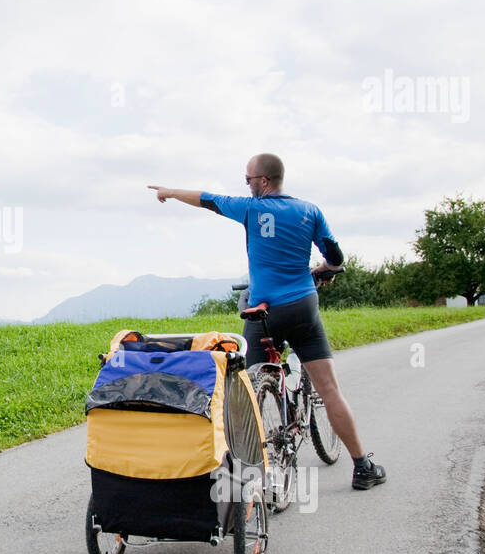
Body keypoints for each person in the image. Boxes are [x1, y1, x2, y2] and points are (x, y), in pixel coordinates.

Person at [147, 153, 386, 490]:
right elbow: (335, 255)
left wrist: (169, 191)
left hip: (262, 313)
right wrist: (326, 270)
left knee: (242, 394)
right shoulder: (310, 211)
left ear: (263, 181)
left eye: (248, 179)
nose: (246, 185)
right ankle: (363, 467)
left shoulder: (249, 208)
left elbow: (207, 200)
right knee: (330, 389)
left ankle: (244, 476)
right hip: (302, 308)